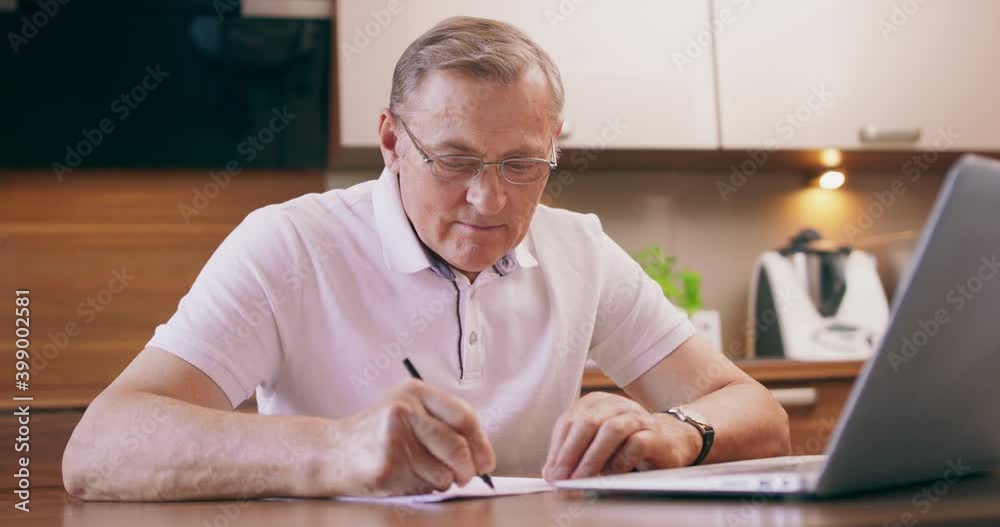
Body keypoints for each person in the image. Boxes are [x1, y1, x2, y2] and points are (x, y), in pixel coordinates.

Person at [63, 16, 789, 500]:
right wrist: (336, 449)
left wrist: (675, 432)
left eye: (522, 164)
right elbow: (99, 447)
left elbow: (757, 411)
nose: (489, 200)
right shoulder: (288, 244)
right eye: (454, 159)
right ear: (390, 143)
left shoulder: (581, 249)